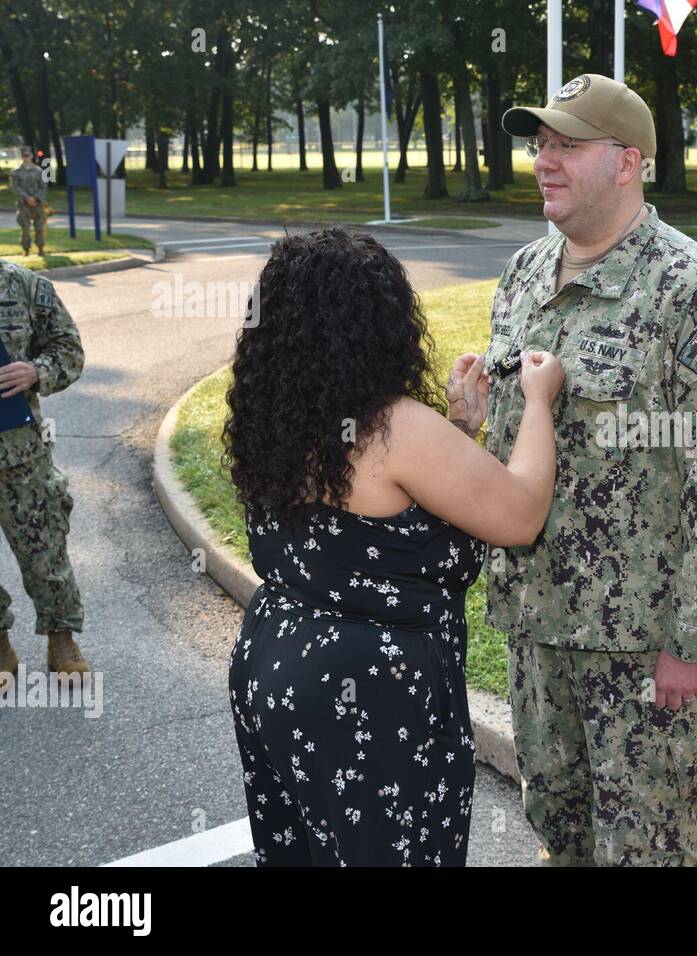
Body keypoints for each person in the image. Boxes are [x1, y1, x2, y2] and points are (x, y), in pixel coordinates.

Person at [484, 74, 697, 866]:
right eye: (540, 144)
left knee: (642, 854)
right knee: (559, 833)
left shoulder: (691, 293)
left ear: (627, 162)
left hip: (644, 655)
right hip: (538, 636)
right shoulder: (521, 276)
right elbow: (511, 445)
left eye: (566, 145)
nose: (545, 161)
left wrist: (695, 641)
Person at [223, 227, 564, 866]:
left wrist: (460, 426)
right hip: (369, 695)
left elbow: (382, 506)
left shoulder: (273, 414)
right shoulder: (396, 427)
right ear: (377, 322)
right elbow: (519, 513)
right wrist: (540, 402)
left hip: (274, 664)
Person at [0, 257, 88, 688]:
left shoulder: (25, 285)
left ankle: (61, 640)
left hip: (20, 456)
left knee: (44, 551)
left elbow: (69, 349)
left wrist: (37, 371)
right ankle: (0, 646)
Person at [9, 146, 48, 258]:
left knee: (39, 228)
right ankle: (26, 249)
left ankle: (41, 248)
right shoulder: (15, 172)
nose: (26, 158)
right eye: (24, 156)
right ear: (22, 157)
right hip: (23, 204)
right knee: (25, 228)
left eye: (28, 155)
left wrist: (36, 198)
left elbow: (43, 187)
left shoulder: (40, 171)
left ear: (31, 156)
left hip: (37, 204)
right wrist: (27, 198)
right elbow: (15, 188)